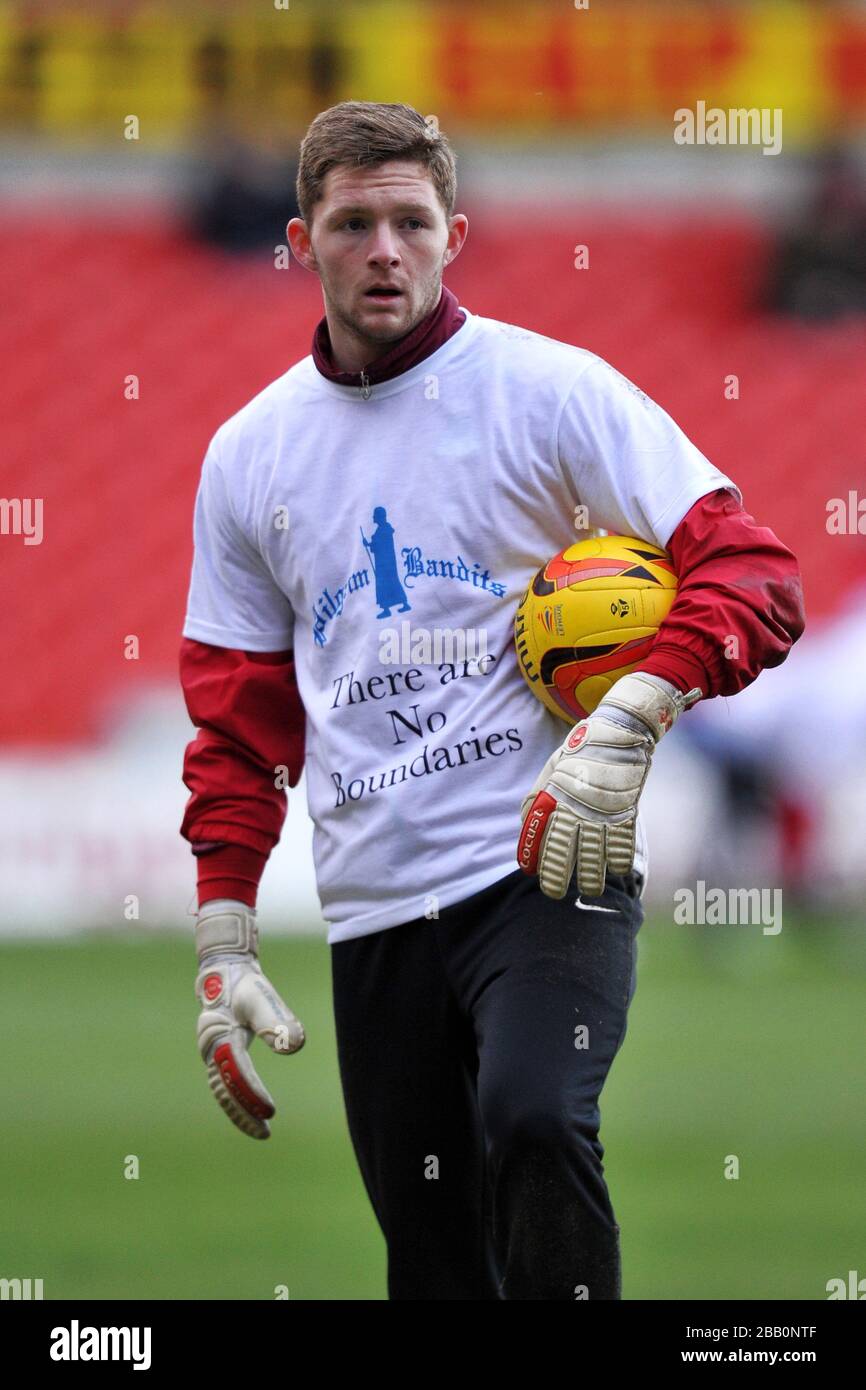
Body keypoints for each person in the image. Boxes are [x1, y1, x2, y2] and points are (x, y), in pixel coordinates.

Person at [179, 101, 805, 1300]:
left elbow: (754, 573)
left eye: (409, 222)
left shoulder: (552, 392)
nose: (383, 250)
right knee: (431, 1261)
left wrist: (627, 719)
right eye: (351, 223)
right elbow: (238, 717)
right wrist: (222, 934)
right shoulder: (247, 454)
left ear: (452, 234)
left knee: (533, 1118)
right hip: (371, 905)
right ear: (301, 240)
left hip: (544, 859)